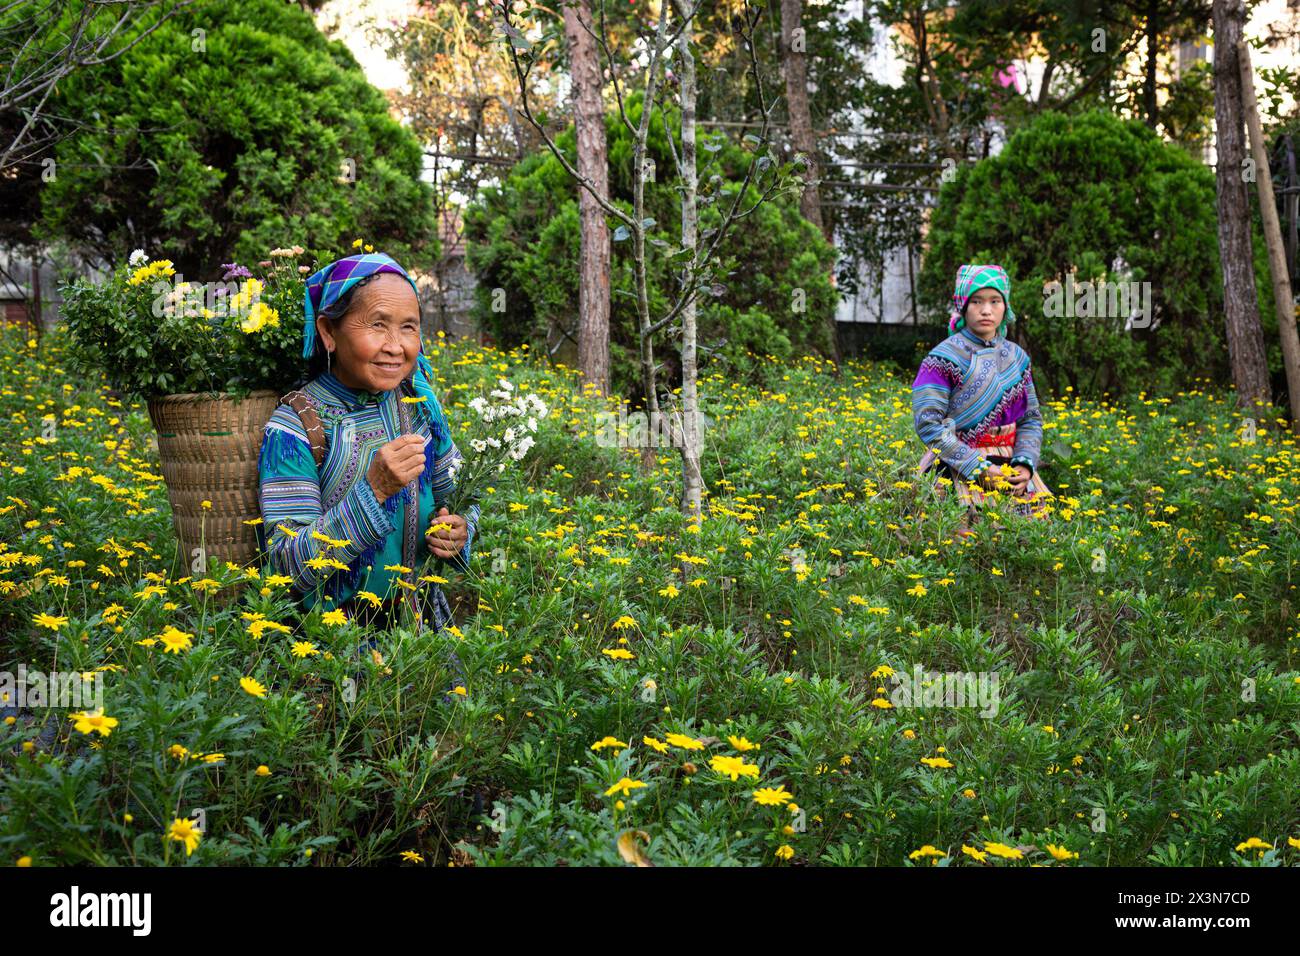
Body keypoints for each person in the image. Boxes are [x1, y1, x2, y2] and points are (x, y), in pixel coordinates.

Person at [257, 252, 480, 644]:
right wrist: (374, 489)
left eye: (409, 327)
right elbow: (286, 565)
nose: (396, 346)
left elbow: (465, 495)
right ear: (328, 332)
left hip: (425, 632)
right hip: (334, 645)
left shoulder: (420, 408)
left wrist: (462, 531)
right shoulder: (295, 426)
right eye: (378, 325)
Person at [911, 264, 1053, 532]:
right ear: (963, 306)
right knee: (959, 550)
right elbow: (928, 423)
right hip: (956, 465)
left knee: (1023, 550)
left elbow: (1030, 419)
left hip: (1011, 472)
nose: (986, 310)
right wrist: (977, 468)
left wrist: (1025, 464)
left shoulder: (1017, 359)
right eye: (976, 301)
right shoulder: (942, 358)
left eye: (995, 301)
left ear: (1005, 307)